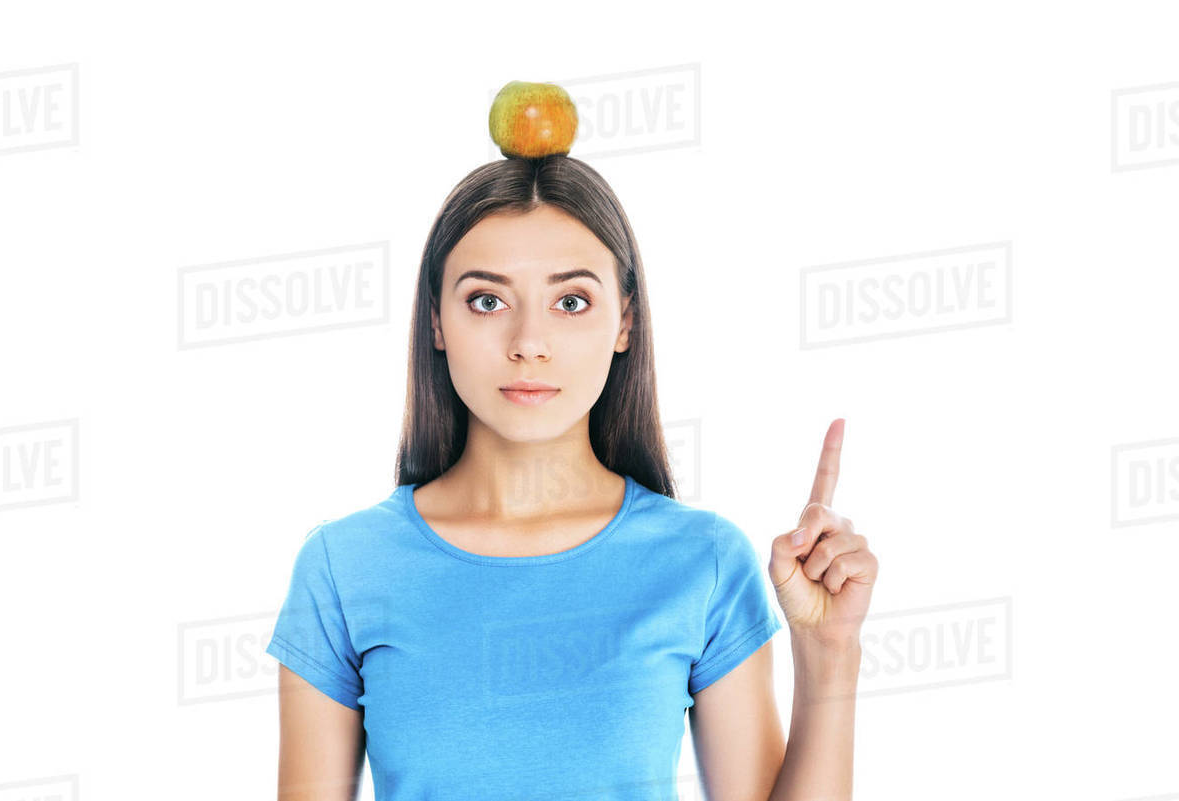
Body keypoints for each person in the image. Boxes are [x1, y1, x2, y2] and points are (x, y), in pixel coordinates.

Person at [265, 81, 878, 801]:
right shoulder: (343, 568)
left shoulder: (704, 562)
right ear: (436, 321)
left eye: (571, 301)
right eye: (487, 300)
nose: (529, 343)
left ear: (624, 323)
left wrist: (829, 652)